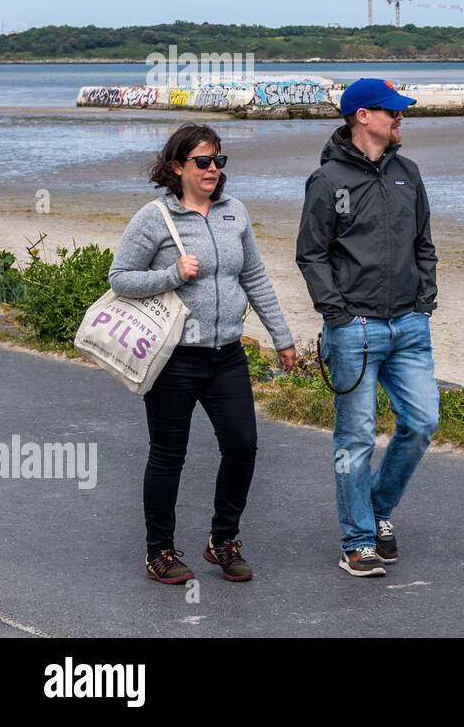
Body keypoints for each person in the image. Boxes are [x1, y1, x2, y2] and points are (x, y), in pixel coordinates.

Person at [110, 123, 297, 585]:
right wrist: (172, 274)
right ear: (177, 166)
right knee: (168, 454)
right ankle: (160, 552)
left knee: (242, 445)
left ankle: (222, 540)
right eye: (203, 161)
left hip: (226, 354)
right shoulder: (155, 217)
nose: (213, 169)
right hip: (174, 357)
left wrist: (282, 337)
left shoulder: (235, 212)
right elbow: (120, 278)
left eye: (218, 160)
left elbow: (254, 277)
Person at [295, 78, 440, 578]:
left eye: (400, 111)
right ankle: (357, 542)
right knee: (355, 438)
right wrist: (336, 314)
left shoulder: (408, 173)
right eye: (391, 111)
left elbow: (424, 243)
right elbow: (311, 254)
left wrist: (424, 301)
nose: (400, 118)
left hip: (409, 325)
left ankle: (377, 510)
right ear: (362, 116)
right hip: (354, 327)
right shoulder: (328, 180)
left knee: (422, 423)